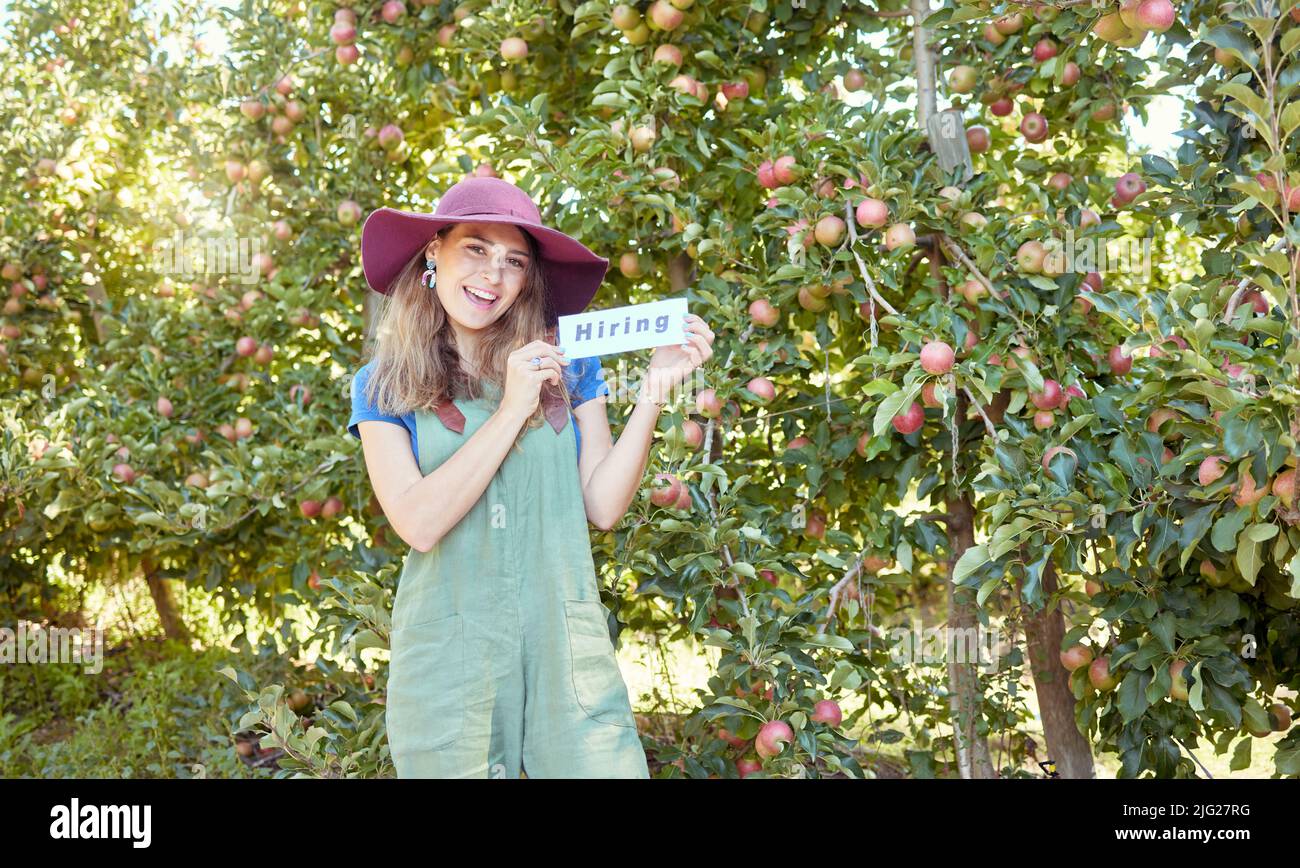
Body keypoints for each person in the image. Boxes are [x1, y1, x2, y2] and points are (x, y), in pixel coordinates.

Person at [347, 176, 715, 778]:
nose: (493, 275)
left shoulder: (570, 365)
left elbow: (602, 505)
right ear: (434, 252)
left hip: (563, 644)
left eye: (513, 260)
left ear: (528, 279)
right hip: (450, 652)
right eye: (475, 247)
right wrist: (514, 406)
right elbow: (417, 522)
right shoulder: (383, 384)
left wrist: (653, 389)